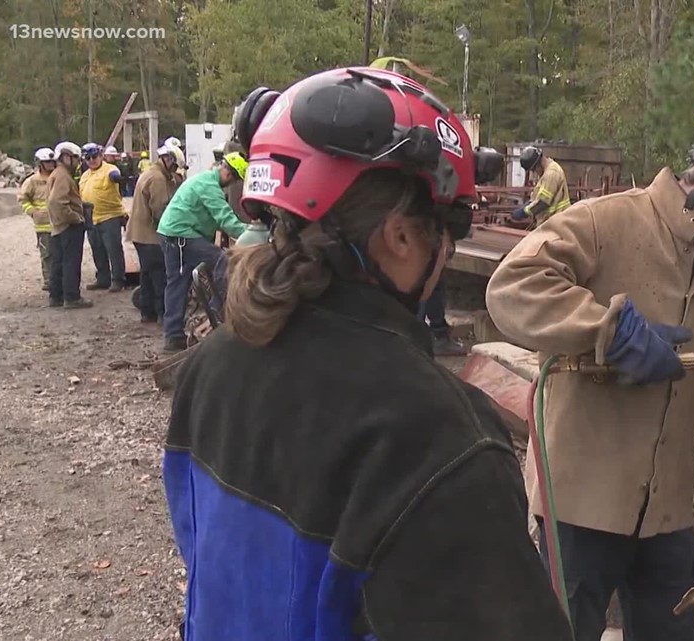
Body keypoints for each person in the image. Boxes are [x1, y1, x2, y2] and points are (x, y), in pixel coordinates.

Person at [162, 66, 571, 641]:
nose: (449, 245)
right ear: (402, 235)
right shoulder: (441, 436)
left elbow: (203, 549)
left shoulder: (213, 361)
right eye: (447, 224)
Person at [485, 103, 694, 641]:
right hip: (579, 505)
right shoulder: (607, 221)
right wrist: (606, 331)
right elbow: (511, 288)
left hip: (665, 514)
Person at [155, 151, 248, 352]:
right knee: (223, 259)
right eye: (232, 177)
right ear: (226, 170)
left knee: (178, 283)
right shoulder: (209, 186)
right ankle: (218, 311)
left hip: (173, 234)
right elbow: (225, 218)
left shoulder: (205, 181)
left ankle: (173, 337)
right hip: (180, 234)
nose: (231, 182)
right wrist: (253, 234)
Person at [127, 145, 181, 323]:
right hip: (150, 235)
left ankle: (147, 312)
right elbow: (160, 210)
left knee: (147, 275)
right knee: (159, 275)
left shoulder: (150, 172)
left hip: (140, 234)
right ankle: (162, 314)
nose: (174, 171)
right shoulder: (158, 179)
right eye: (174, 167)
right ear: (169, 160)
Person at [46, 141, 93, 309]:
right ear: (66, 157)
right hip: (68, 227)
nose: (78, 163)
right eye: (75, 158)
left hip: (58, 227)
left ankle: (56, 296)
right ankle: (72, 297)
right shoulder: (63, 176)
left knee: (58, 262)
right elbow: (57, 201)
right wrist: (75, 217)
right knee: (71, 262)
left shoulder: (56, 174)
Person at [79, 143, 129, 292]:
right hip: (92, 218)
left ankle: (118, 280)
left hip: (110, 217)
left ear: (101, 156)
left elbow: (114, 176)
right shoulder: (85, 175)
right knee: (97, 250)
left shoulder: (110, 169)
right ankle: (103, 278)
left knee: (113, 249)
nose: (92, 160)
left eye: (94, 156)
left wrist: (117, 178)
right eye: (88, 158)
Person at [17, 147, 57, 290]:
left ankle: (58, 280)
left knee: (60, 255)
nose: (51, 165)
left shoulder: (58, 177)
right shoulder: (32, 181)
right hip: (43, 225)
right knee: (47, 255)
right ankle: (48, 281)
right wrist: (33, 212)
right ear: (40, 163)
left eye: (52, 162)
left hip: (59, 223)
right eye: (47, 162)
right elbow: (22, 199)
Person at [511, 145, 570, 225]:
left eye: (533, 170)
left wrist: (524, 211)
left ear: (538, 164)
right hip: (553, 221)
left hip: (556, 221)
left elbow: (543, 203)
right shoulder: (546, 171)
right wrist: (528, 204)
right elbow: (539, 196)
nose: (534, 172)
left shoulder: (551, 174)